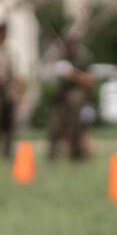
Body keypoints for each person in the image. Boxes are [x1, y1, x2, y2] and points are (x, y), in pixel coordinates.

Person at [46, 30, 97, 160]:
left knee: (77, 125)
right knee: (55, 123)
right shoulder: (59, 55)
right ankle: (52, 155)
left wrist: (72, 73)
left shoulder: (83, 56)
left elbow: (90, 81)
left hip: (79, 96)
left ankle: (78, 154)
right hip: (62, 95)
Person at [0, 20, 22, 158]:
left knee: (10, 121)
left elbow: (15, 75)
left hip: (7, 89)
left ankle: (8, 151)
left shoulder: (10, 51)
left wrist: (18, 92)